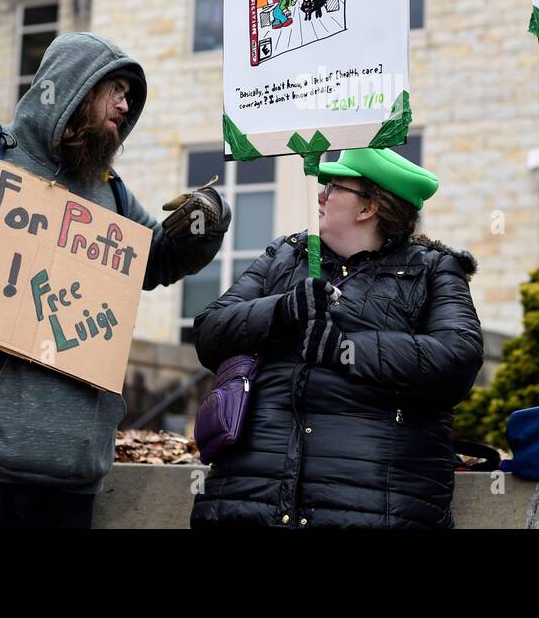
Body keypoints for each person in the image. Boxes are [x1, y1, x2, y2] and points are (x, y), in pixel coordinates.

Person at [0, 32, 231, 529]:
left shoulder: (113, 196)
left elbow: (157, 262)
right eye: (115, 89)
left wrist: (208, 221)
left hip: (67, 479)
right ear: (73, 89)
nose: (125, 104)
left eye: (130, 94)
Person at [191, 147, 485, 529]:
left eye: (332, 187)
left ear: (368, 208)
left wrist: (346, 349)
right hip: (248, 503)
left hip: (374, 510)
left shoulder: (433, 270)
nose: (320, 194)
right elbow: (210, 332)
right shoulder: (285, 255)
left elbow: (457, 360)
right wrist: (282, 310)